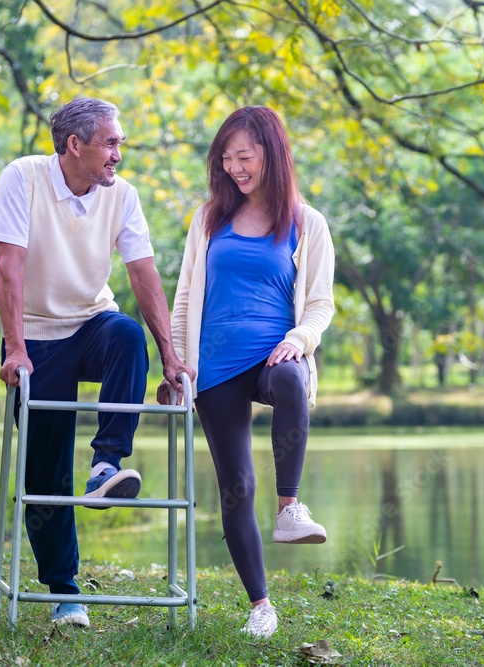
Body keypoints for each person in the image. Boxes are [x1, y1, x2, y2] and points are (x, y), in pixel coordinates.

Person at [0, 97, 191, 629]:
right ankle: (65, 592)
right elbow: (9, 268)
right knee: (44, 472)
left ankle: (106, 466)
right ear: (75, 145)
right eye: (111, 143)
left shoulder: (122, 196)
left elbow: (144, 275)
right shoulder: (22, 178)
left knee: (125, 334)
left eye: (120, 142)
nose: (119, 154)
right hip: (34, 338)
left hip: (91, 324)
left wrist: (170, 356)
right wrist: (14, 349)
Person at [158, 106, 335, 639]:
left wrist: (297, 341)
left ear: (272, 155)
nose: (235, 167)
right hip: (215, 365)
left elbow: (321, 304)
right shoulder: (209, 218)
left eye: (245, 156)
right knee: (234, 485)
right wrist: (177, 363)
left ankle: (290, 508)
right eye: (226, 158)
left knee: (290, 377)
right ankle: (260, 605)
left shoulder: (307, 222)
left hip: (273, 355)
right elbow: (186, 294)